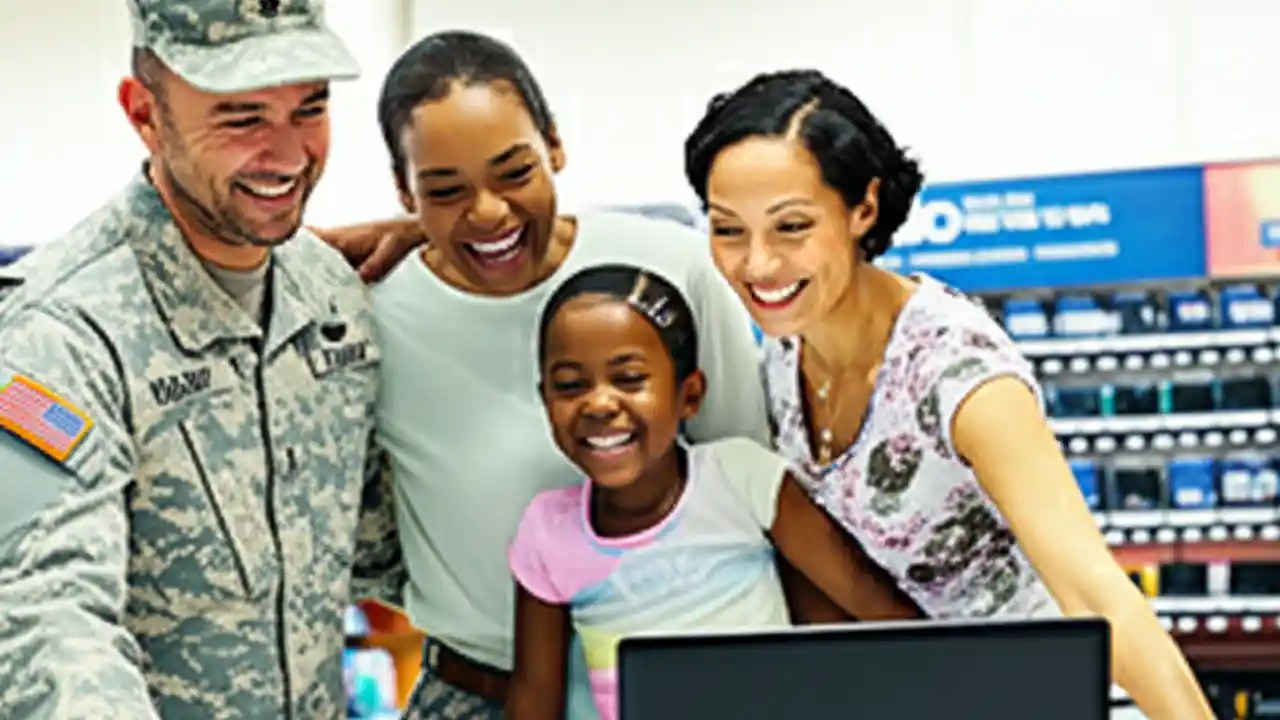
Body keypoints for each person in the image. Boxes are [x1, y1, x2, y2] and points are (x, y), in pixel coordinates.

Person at [682, 69, 1214, 719]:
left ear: (864, 209)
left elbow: (1097, 596)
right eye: (728, 229)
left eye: (791, 227)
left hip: (1040, 696)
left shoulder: (957, 372)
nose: (757, 265)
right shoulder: (782, 352)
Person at [0, 1, 403, 718]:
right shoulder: (54, 337)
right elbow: (41, 612)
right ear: (144, 113)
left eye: (309, 108)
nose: (288, 154)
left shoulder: (333, 296)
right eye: (242, 118)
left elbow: (391, 552)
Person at [360, 30, 771, 719]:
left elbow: (756, 490)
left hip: (682, 685)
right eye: (445, 189)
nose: (488, 211)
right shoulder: (372, 322)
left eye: (514, 172)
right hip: (478, 691)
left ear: (554, 145)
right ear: (404, 190)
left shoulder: (671, 268)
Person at [505, 265, 921, 720]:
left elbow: (873, 607)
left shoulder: (740, 478)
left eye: (629, 379)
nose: (599, 404)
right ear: (546, 400)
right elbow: (535, 696)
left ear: (689, 395)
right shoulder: (547, 531)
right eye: (570, 386)